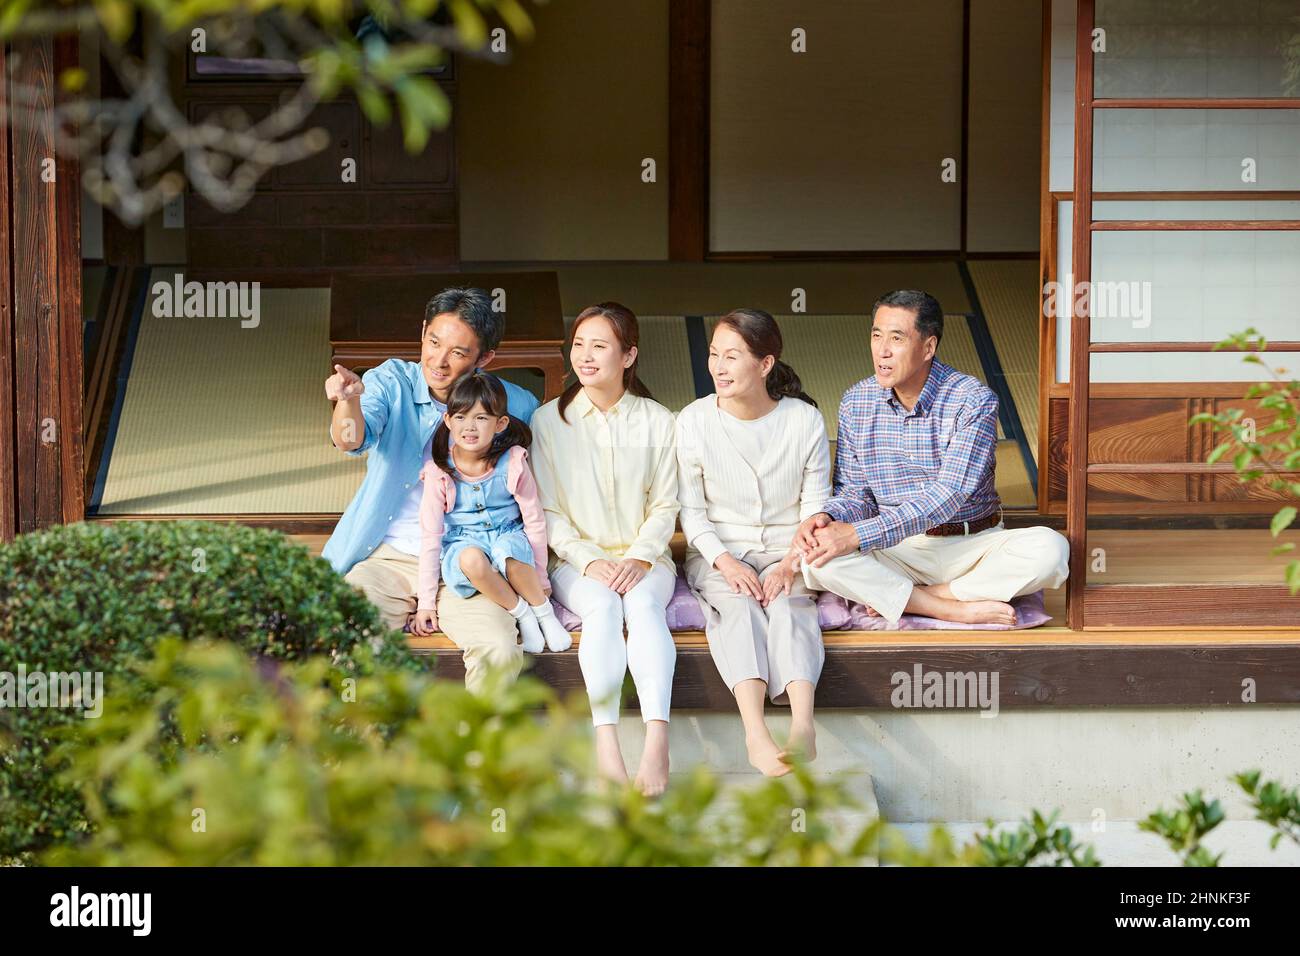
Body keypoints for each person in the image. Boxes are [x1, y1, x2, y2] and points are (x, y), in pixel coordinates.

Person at [798, 289, 1069, 626]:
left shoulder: (973, 400)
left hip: (974, 545)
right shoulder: (856, 402)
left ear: (928, 347)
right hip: (898, 549)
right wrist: (826, 515)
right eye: (876, 335)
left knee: (1051, 550)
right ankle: (948, 605)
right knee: (814, 559)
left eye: (896, 338)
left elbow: (947, 496)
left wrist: (856, 535)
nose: (882, 350)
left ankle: (927, 594)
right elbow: (855, 493)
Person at [322, 286, 540, 694]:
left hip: (467, 562)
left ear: (484, 359)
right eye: (433, 342)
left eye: (458, 352)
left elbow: (545, 471)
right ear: (422, 332)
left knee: (499, 650)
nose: (438, 361)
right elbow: (351, 438)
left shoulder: (515, 405)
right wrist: (347, 402)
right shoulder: (390, 381)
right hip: (389, 558)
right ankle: (364, 748)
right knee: (349, 635)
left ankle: (473, 757)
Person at [530, 303, 680, 796]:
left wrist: (639, 556)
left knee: (641, 605)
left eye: (600, 346)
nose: (585, 357)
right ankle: (608, 746)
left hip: (646, 558)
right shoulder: (549, 421)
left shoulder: (659, 420)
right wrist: (590, 559)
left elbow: (666, 503)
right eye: (578, 344)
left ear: (629, 354)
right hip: (578, 561)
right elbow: (546, 510)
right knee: (600, 607)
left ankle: (657, 742)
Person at [676, 309, 831, 778]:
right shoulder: (693, 420)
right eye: (713, 355)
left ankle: (803, 725)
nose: (718, 367)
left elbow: (816, 504)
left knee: (790, 605)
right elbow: (691, 511)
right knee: (738, 609)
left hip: (791, 549)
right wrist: (725, 562)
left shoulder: (804, 420)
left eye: (732, 357)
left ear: (765, 365)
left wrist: (789, 563)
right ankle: (755, 732)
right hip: (719, 552)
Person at [411, 372, 571, 655]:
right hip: (464, 544)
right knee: (472, 558)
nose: (469, 427)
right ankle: (524, 615)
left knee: (509, 551)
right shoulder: (439, 474)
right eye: (460, 417)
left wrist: (542, 579)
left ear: (500, 424)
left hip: (507, 534)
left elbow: (534, 521)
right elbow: (430, 538)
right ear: (448, 421)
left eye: (481, 418)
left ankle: (544, 613)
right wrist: (426, 601)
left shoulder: (513, 462)